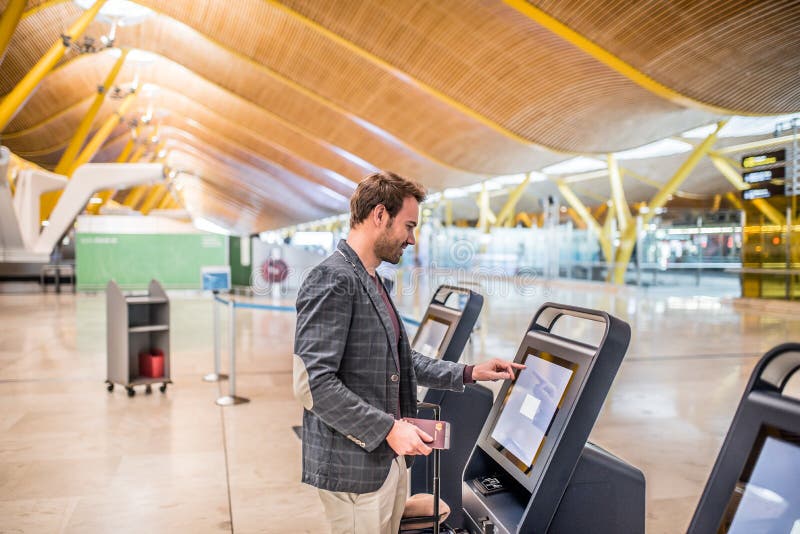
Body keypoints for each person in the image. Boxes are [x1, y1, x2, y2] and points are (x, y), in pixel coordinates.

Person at [293, 171, 523, 534]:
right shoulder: (334, 279)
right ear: (380, 215)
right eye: (409, 226)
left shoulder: (371, 280)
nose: (412, 239)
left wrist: (469, 372)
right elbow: (313, 384)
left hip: (384, 460)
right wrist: (387, 430)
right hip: (356, 468)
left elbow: (402, 360)